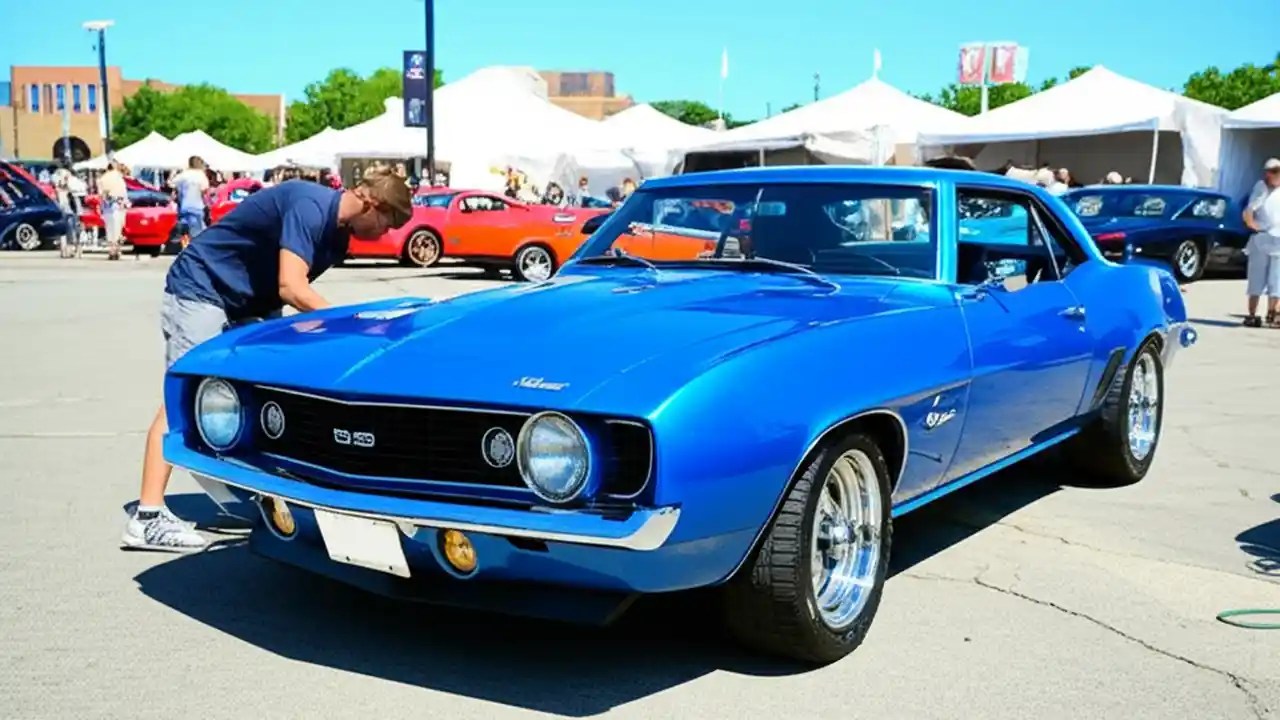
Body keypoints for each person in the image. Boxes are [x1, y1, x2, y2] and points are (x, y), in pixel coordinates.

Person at [120, 168, 414, 551]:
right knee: (185, 398)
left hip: (251, 302)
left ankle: (250, 497)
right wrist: (352, 327)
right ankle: (148, 516)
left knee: (263, 395)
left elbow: (288, 294)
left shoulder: (340, 237)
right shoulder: (310, 206)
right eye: (389, 224)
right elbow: (292, 285)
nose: (387, 234)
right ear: (373, 206)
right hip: (202, 287)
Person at [1242, 158, 1280, 328]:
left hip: (1278, 239)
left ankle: (1273, 313)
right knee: (1256, 278)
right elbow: (1249, 209)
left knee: (1277, 279)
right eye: (1271, 171)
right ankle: (1252, 314)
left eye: (1276, 172)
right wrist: (1251, 224)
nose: (1273, 175)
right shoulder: (1261, 187)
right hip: (1262, 237)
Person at [171, 156, 210, 249]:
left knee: (185, 229)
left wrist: (180, 190)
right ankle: (198, 250)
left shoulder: (184, 174)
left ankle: (185, 247)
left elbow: (171, 183)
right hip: (196, 206)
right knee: (198, 232)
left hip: (184, 206)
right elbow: (205, 188)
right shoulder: (201, 175)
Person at [98, 162, 129, 260]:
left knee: (109, 229)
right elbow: (124, 194)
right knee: (117, 228)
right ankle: (116, 250)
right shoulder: (119, 178)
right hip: (118, 205)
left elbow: (100, 194)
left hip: (107, 206)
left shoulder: (102, 179)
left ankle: (111, 250)